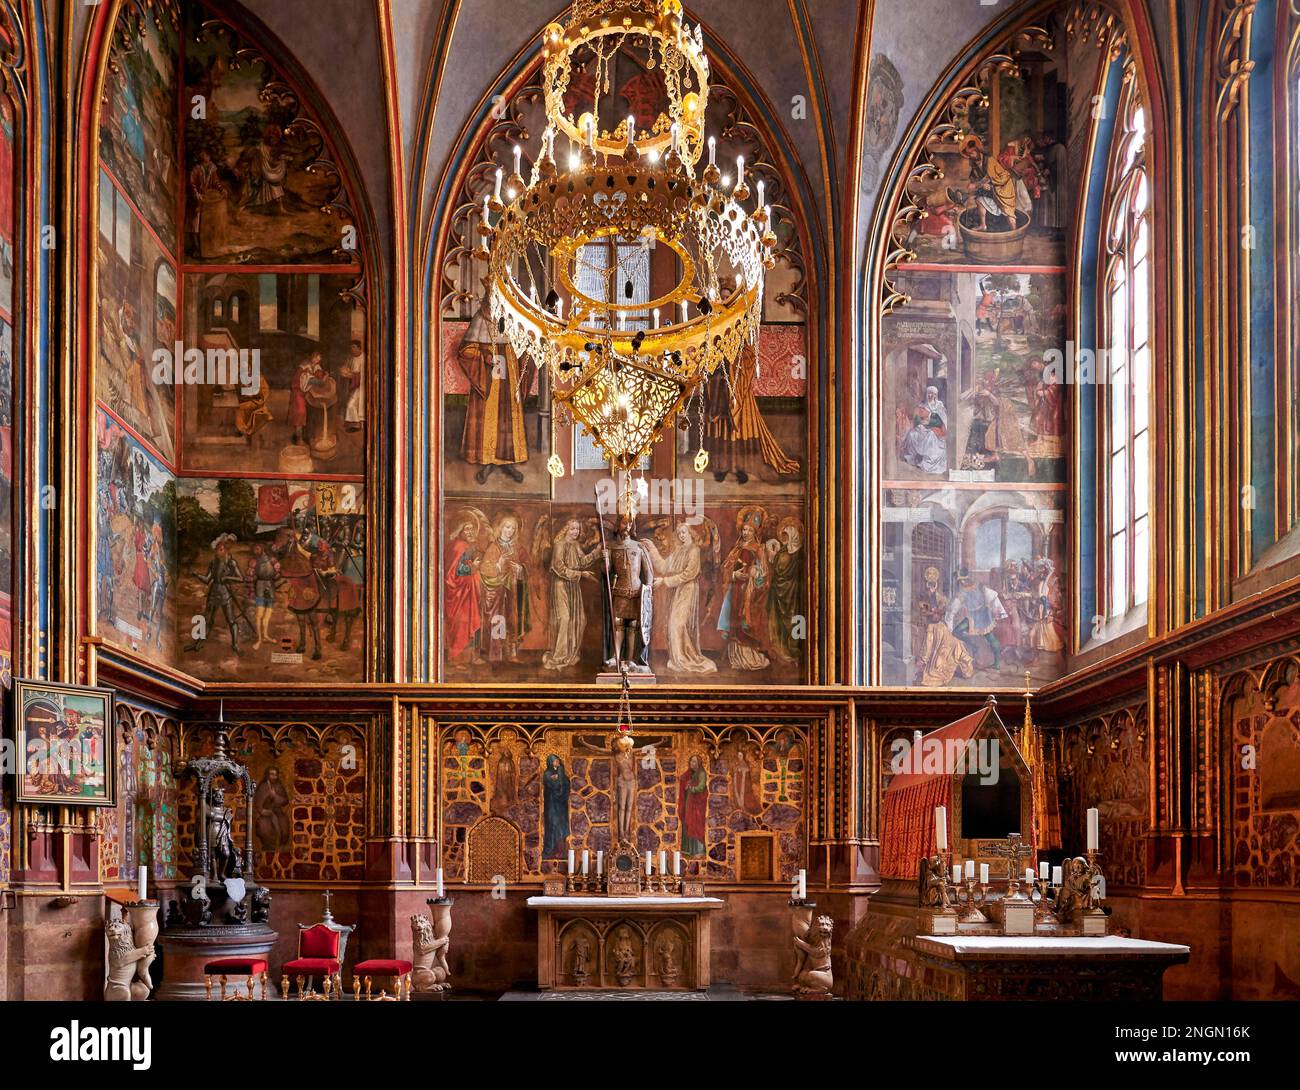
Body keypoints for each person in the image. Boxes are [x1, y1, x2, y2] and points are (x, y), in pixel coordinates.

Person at [457, 279, 527, 483]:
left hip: (510, 371)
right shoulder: (480, 319)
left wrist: (517, 354)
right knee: (488, 415)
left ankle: (509, 462)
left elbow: (522, 343)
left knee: (508, 414)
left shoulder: (512, 319)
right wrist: (483, 356)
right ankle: (487, 460)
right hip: (487, 376)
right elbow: (465, 351)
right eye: (492, 298)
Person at [641, 523, 717, 674]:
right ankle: (679, 659)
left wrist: (665, 581)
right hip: (677, 591)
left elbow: (689, 574)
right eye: (680, 533)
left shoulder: (694, 550)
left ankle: (684, 659)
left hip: (688, 590)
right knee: (673, 624)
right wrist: (652, 549)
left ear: (690, 533)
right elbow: (664, 567)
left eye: (684, 532)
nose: (682, 535)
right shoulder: (679, 550)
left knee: (677, 624)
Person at [542, 518, 599, 670]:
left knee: (579, 619)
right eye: (573, 528)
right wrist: (581, 575)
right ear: (566, 529)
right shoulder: (559, 545)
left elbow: (582, 562)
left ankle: (569, 653)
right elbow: (559, 568)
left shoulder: (575, 545)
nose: (575, 532)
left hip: (573, 586)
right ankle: (559, 656)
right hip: (561, 585)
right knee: (565, 619)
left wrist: (597, 552)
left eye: (577, 529)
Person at [944, 568, 1009, 670]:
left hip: (978, 617)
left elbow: (952, 611)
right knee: (990, 638)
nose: (960, 583)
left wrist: (999, 611)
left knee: (956, 632)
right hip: (981, 615)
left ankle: (994, 661)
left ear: (962, 580)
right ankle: (978, 649)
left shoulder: (964, 592)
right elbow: (992, 596)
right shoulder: (978, 585)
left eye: (960, 581)